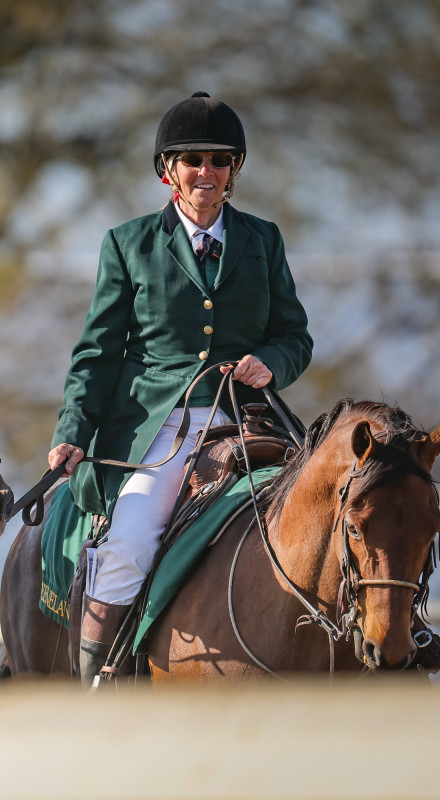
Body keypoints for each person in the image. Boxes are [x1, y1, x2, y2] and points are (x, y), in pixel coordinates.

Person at [48, 92, 313, 683]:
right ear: (169, 170)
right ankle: (97, 683)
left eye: (219, 160)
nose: (206, 172)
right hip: (157, 427)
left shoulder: (263, 240)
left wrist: (270, 362)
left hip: (247, 418)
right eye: (192, 159)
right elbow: (97, 352)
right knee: (130, 541)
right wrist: (72, 432)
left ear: (234, 170)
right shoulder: (128, 243)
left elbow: (295, 336)